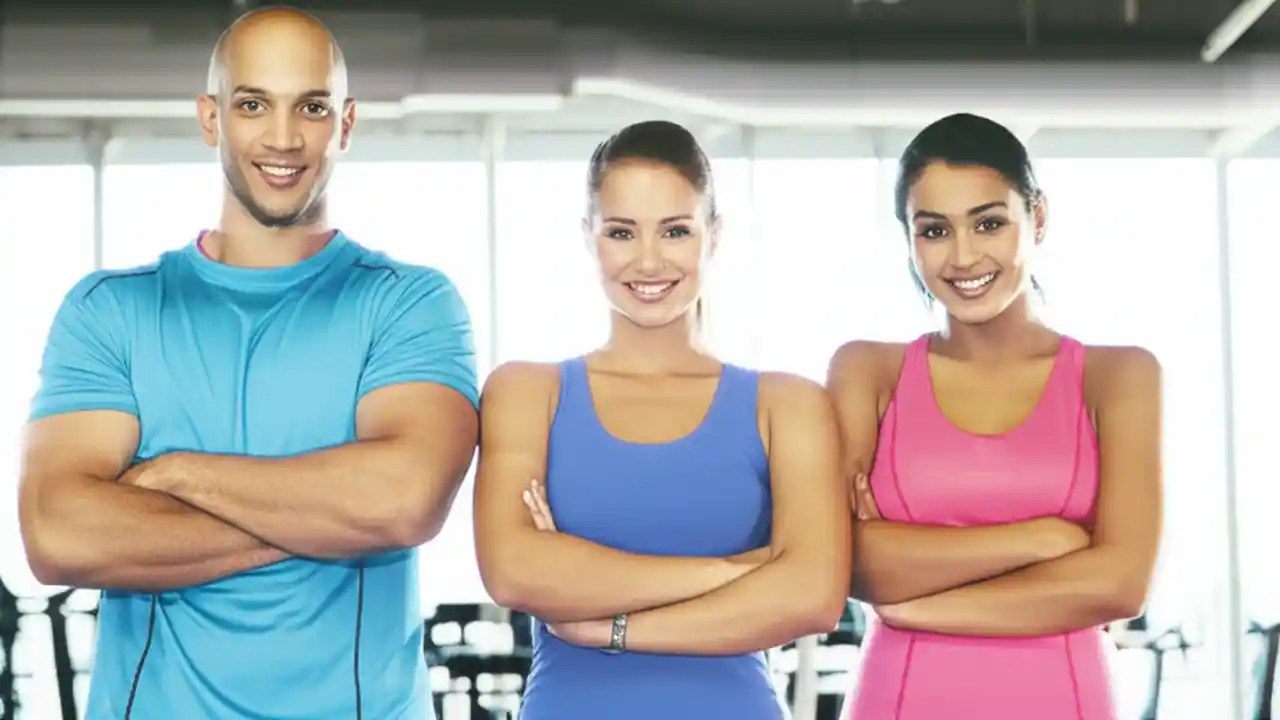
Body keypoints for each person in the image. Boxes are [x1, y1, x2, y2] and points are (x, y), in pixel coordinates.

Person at [16, 7, 479, 719]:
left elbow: (406, 499)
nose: (284, 138)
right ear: (211, 118)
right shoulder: (111, 310)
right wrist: (331, 520)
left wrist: (177, 474)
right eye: (254, 105)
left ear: (346, 123)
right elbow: (58, 533)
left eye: (312, 107)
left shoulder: (408, 303)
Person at [473, 120, 850, 719]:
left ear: (714, 234)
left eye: (675, 231)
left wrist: (609, 625)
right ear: (589, 237)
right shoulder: (525, 392)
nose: (648, 261)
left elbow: (813, 597)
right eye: (621, 232)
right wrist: (741, 571)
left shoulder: (788, 404)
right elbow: (513, 572)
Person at [827, 112, 1162, 719]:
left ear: (1038, 217)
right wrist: (1046, 539)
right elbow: (845, 561)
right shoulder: (867, 372)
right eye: (934, 230)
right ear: (909, 239)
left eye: (988, 223)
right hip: (899, 699)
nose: (963, 255)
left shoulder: (1119, 378)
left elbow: (1120, 585)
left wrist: (916, 603)